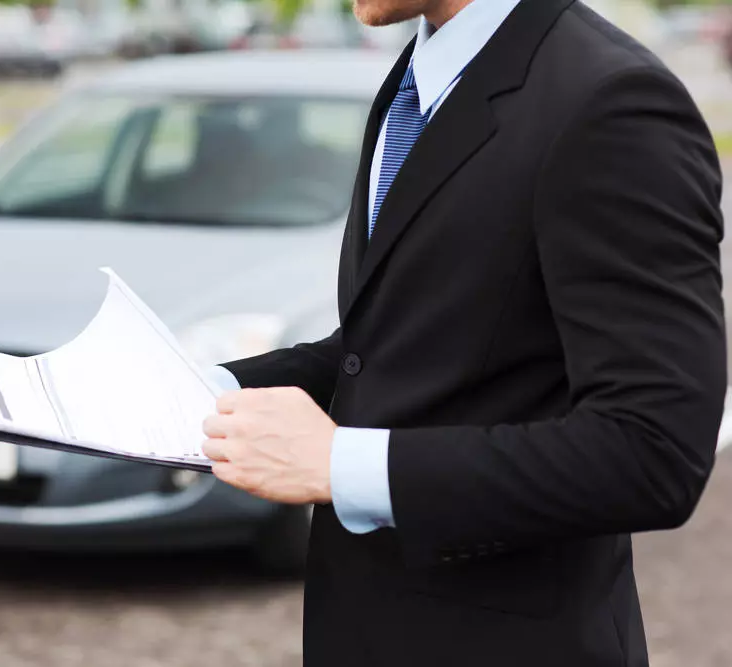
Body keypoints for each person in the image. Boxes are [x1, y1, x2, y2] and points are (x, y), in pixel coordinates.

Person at [200, 0, 726, 665]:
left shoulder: (613, 102)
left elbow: (654, 450)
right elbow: (390, 343)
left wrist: (340, 464)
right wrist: (198, 388)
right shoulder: (415, 78)